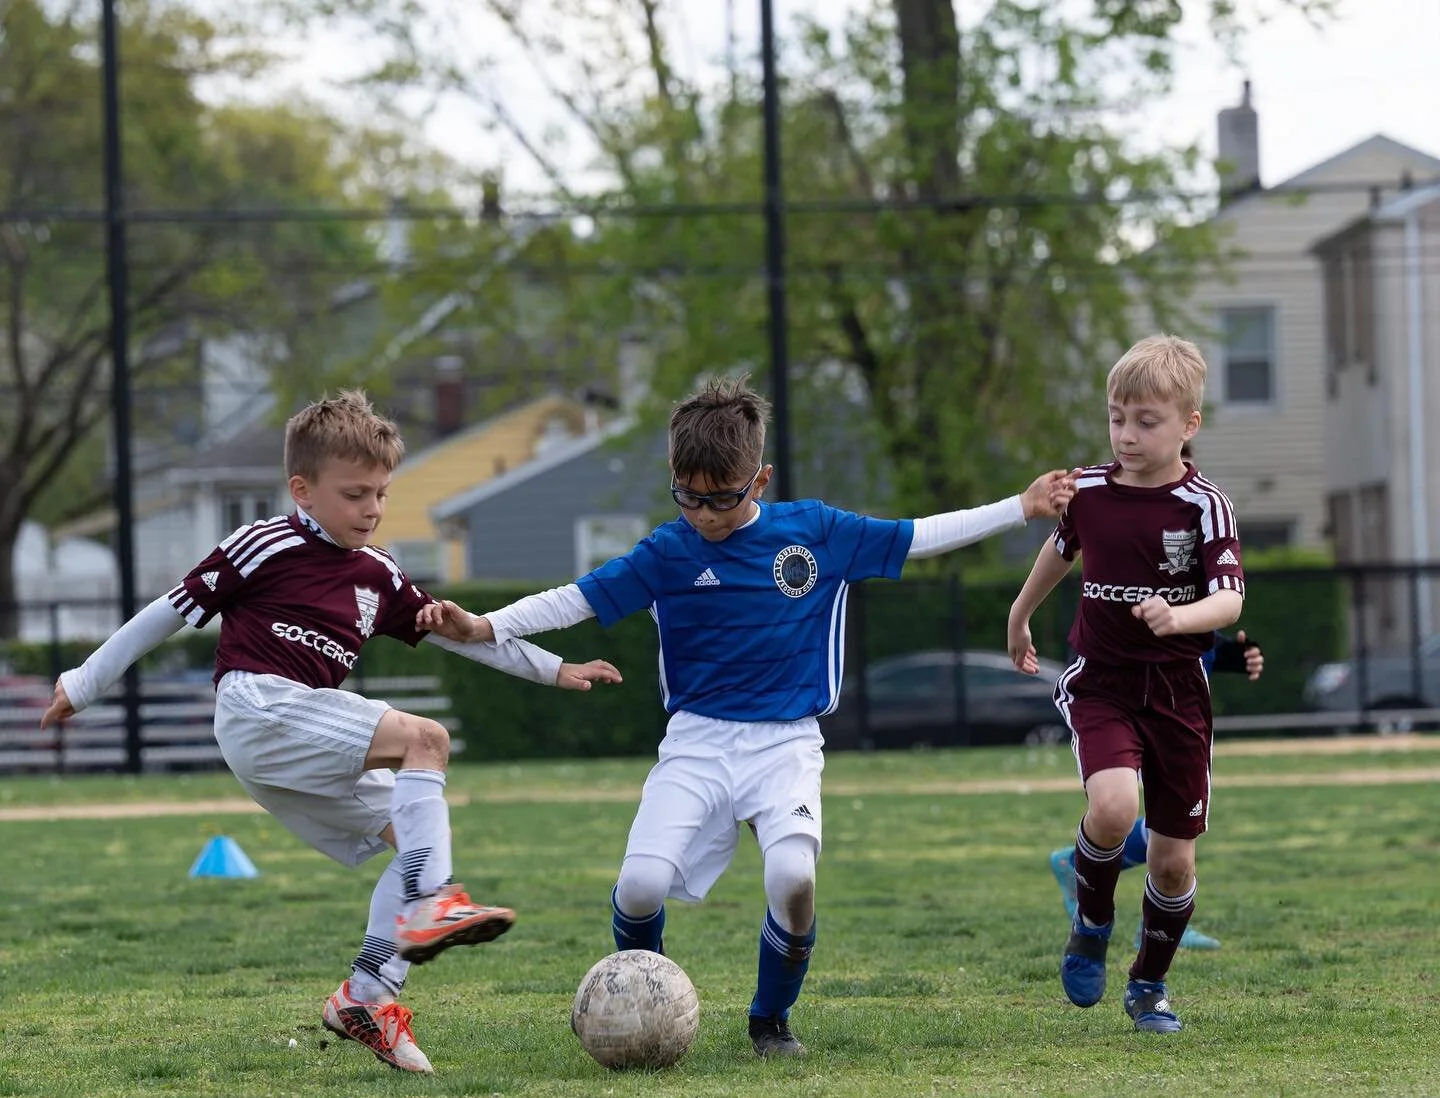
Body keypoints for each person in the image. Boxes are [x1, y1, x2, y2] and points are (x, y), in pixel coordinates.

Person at [416, 375, 1074, 1058]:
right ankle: (641, 1000)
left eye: (722, 498)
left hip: (785, 745)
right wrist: (483, 626)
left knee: (794, 879)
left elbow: (918, 536)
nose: (704, 514)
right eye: (688, 496)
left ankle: (770, 1021)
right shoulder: (666, 552)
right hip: (695, 745)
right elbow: (573, 599)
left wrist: (1019, 507)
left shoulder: (814, 532)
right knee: (639, 887)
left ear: (760, 480)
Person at [40, 390, 622, 1074]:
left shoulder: (379, 574)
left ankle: (366, 997)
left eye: (381, 494)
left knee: (412, 839)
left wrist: (555, 669)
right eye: (354, 495)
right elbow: (166, 612)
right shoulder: (263, 543)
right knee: (427, 741)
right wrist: (84, 682)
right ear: (303, 490)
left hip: (294, 733)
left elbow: (458, 636)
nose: (372, 509)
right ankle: (434, 900)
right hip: (257, 704)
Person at [1007, 334, 1244, 1034]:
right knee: (1111, 808)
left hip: (1178, 694)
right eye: (1117, 418)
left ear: (1188, 424)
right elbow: (1059, 552)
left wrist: (1179, 618)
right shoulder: (1087, 491)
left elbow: (1229, 600)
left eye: (1146, 421)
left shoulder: (1205, 505)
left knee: (1172, 864)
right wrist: (1019, 616)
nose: (1127, 435)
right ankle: (1091, 923)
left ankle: (1149, 985)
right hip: (1102, 683)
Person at [1048, 628, 1264, 949]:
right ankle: (1123, 913)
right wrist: (1021, 615)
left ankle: (1159, 919)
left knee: (1181, 820)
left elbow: (1185, 618)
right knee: (1129, 810)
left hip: (1181, 702)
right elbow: (1148, 616)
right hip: (1130, 700)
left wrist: (1224, 651)